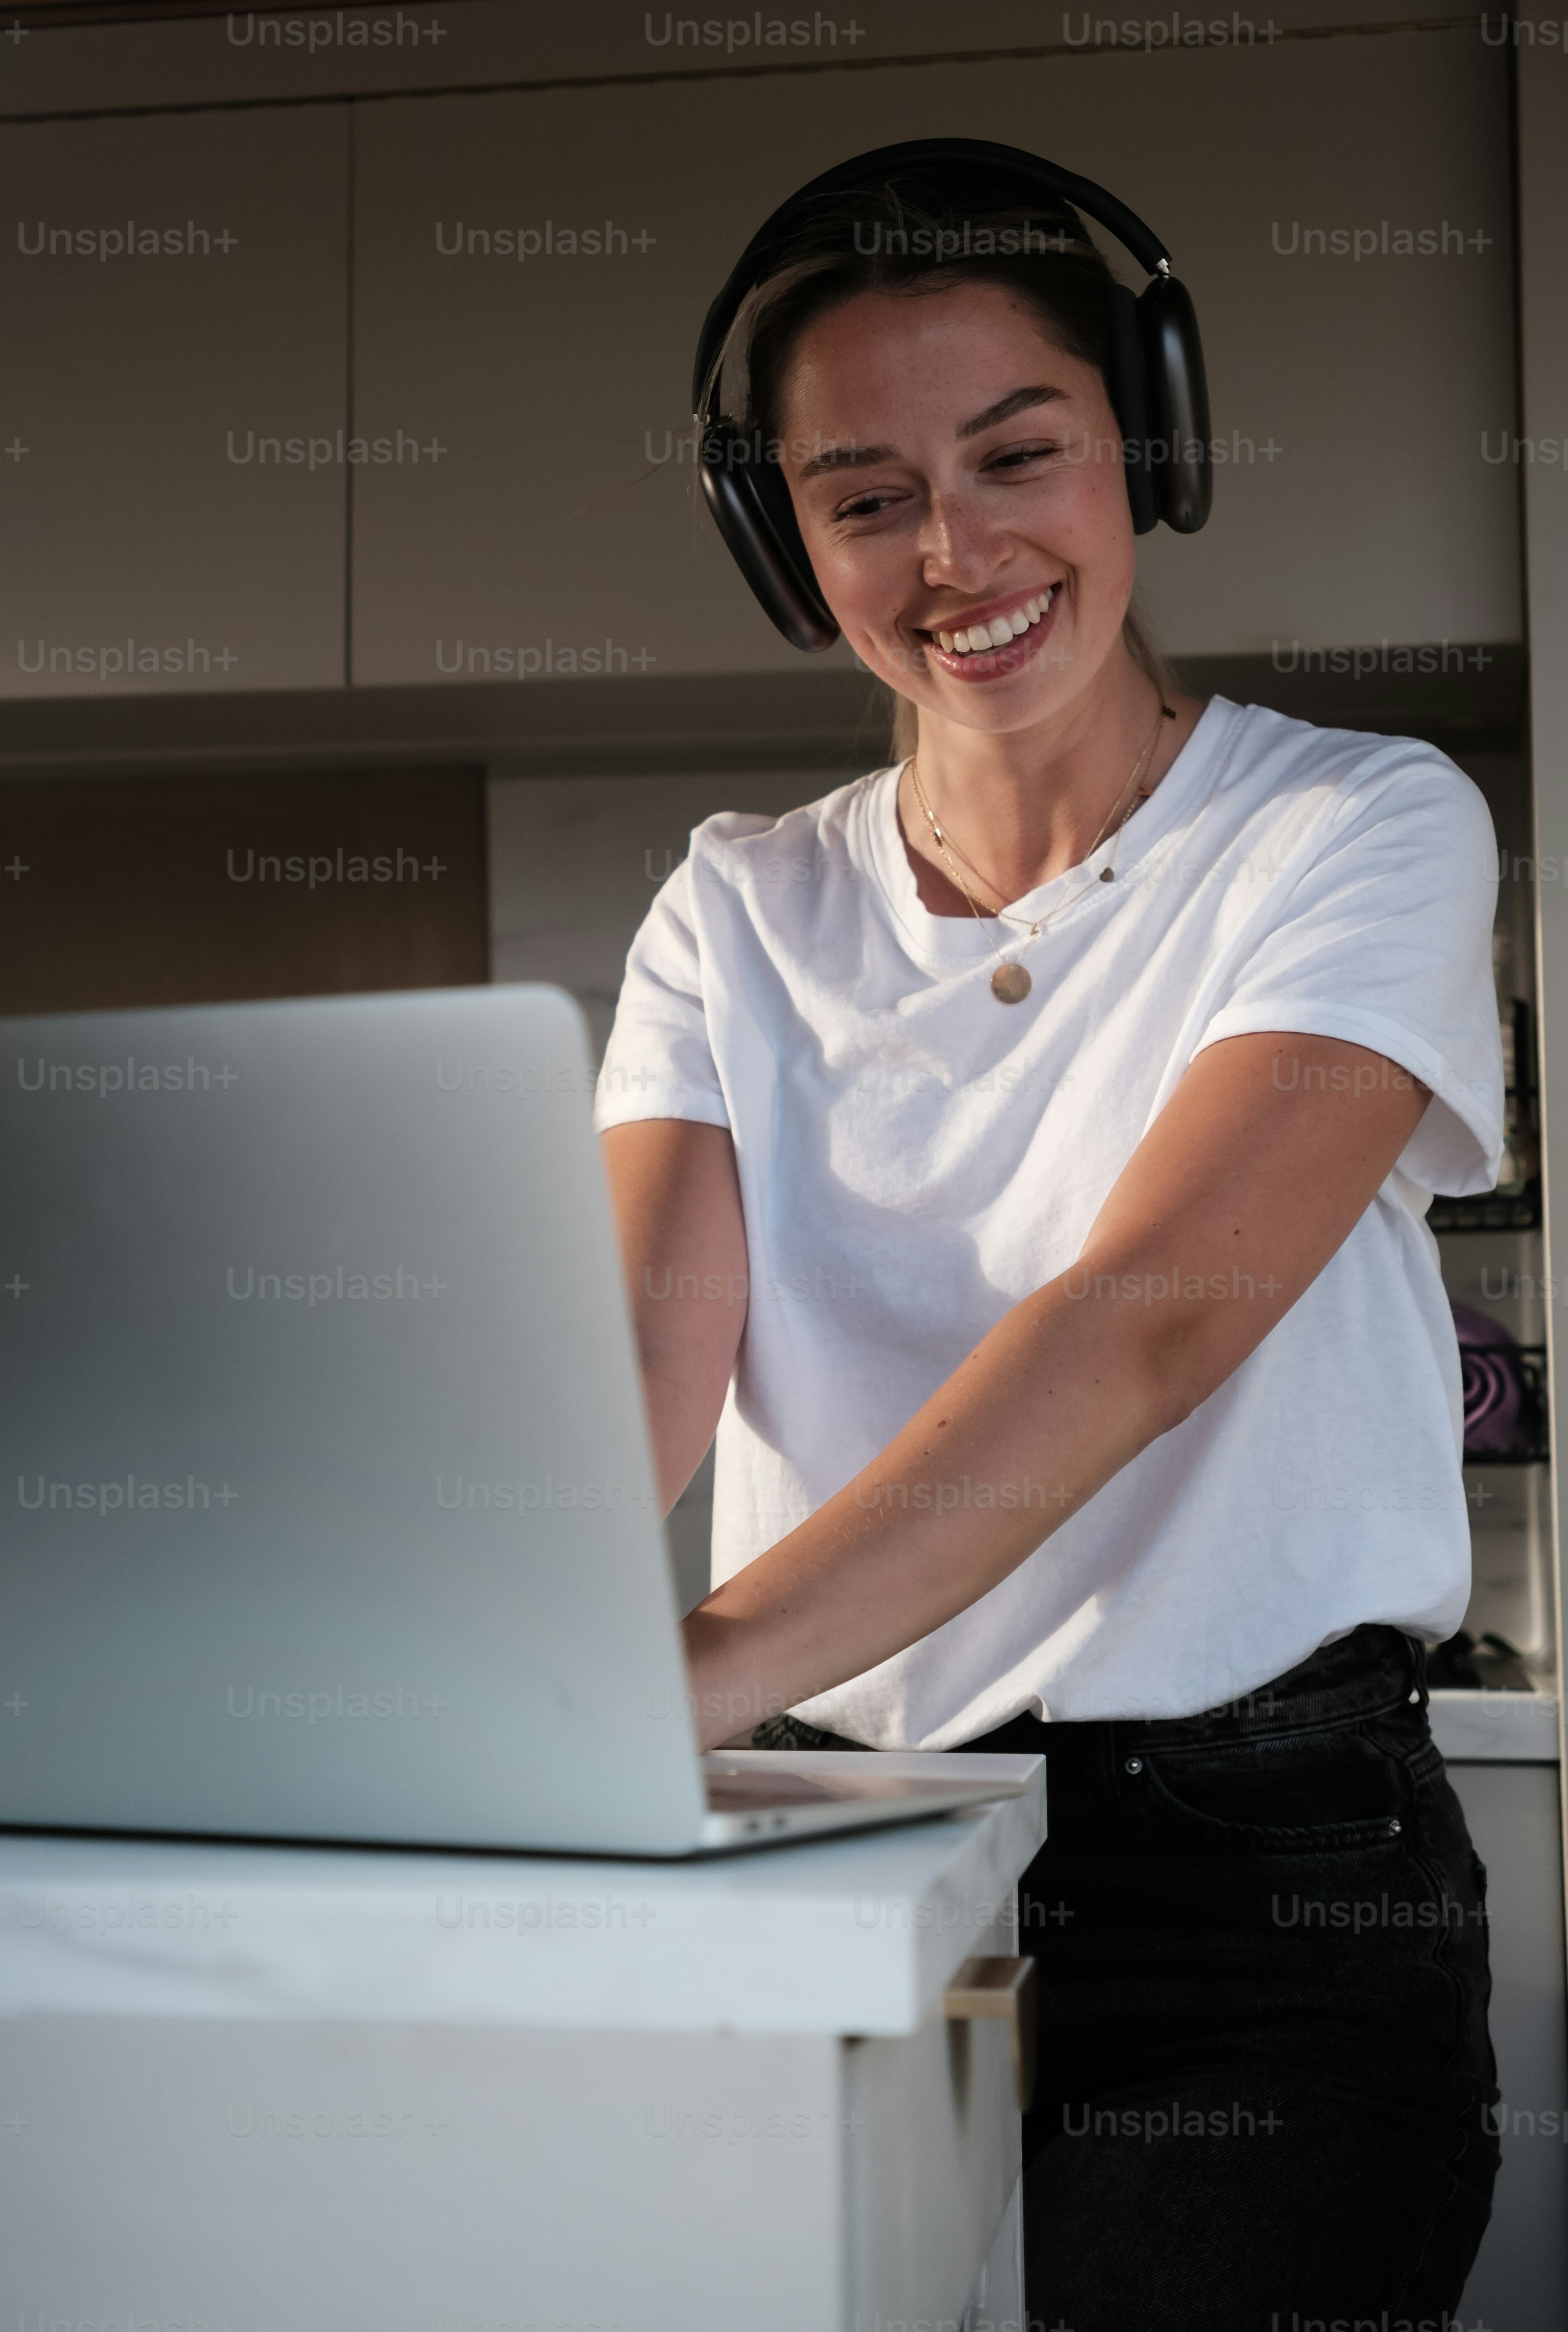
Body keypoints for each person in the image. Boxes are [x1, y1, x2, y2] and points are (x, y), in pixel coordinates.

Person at [594, 156, 1502, 2329]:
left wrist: (675, 1675)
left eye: (1017, 456)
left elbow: (1138, 1324)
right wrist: (440, 1665)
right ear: (784, 543)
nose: (956, 551)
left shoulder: (1353, 824)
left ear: (1144, 452)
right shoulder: (733, 906)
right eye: (865, 497)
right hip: (832, 1829)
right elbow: (635, 1361)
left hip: (1259, 1880)